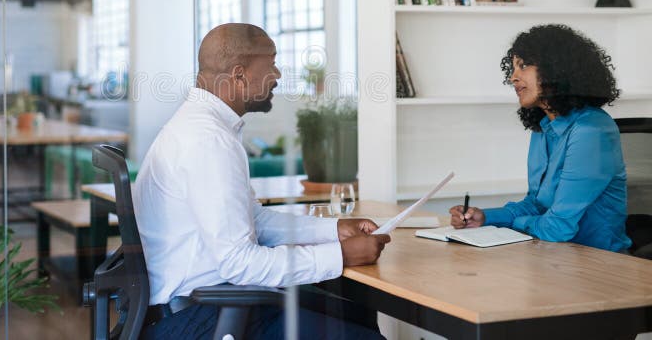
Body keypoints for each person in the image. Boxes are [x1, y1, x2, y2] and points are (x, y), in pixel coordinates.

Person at [135, 23, 389, 339]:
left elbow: (254, 220)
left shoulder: (203, 127)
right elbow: (239, 263)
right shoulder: (209, 141)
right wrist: (342, 255)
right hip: (201, 317)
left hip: (209, 302)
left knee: (356, 311)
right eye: (271, 63)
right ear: (239, 76)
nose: (279, 74)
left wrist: (333, 230)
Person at [449, 24, 632, 252]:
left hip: (600, 266)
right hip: (553, 256)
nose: (513, 78)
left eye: (523, 66)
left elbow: (557, 228)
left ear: (556, 69)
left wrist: (513, 224)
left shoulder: (591, 130)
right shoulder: (544, 127)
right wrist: (485, 217)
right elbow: (536, 204)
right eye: (513, 68)